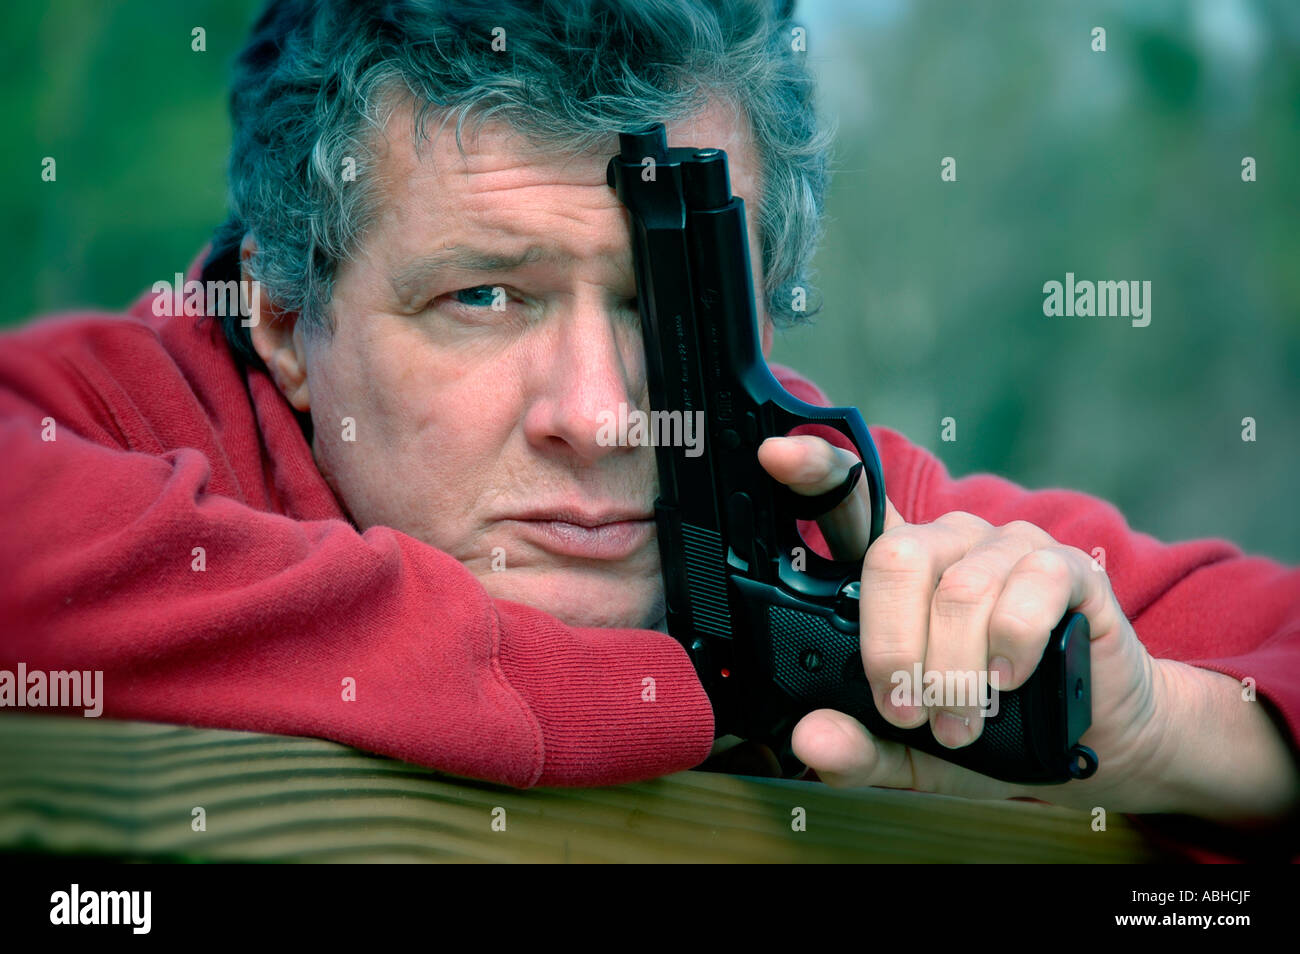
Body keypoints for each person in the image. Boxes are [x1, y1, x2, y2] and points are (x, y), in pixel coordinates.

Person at [1, 0, 1296, 860]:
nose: (606, 413)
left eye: (654, 303)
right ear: (281, 316)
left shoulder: (811, 494)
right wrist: (672, 694)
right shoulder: (115, 410)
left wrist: (1154, 730)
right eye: (484, 297)